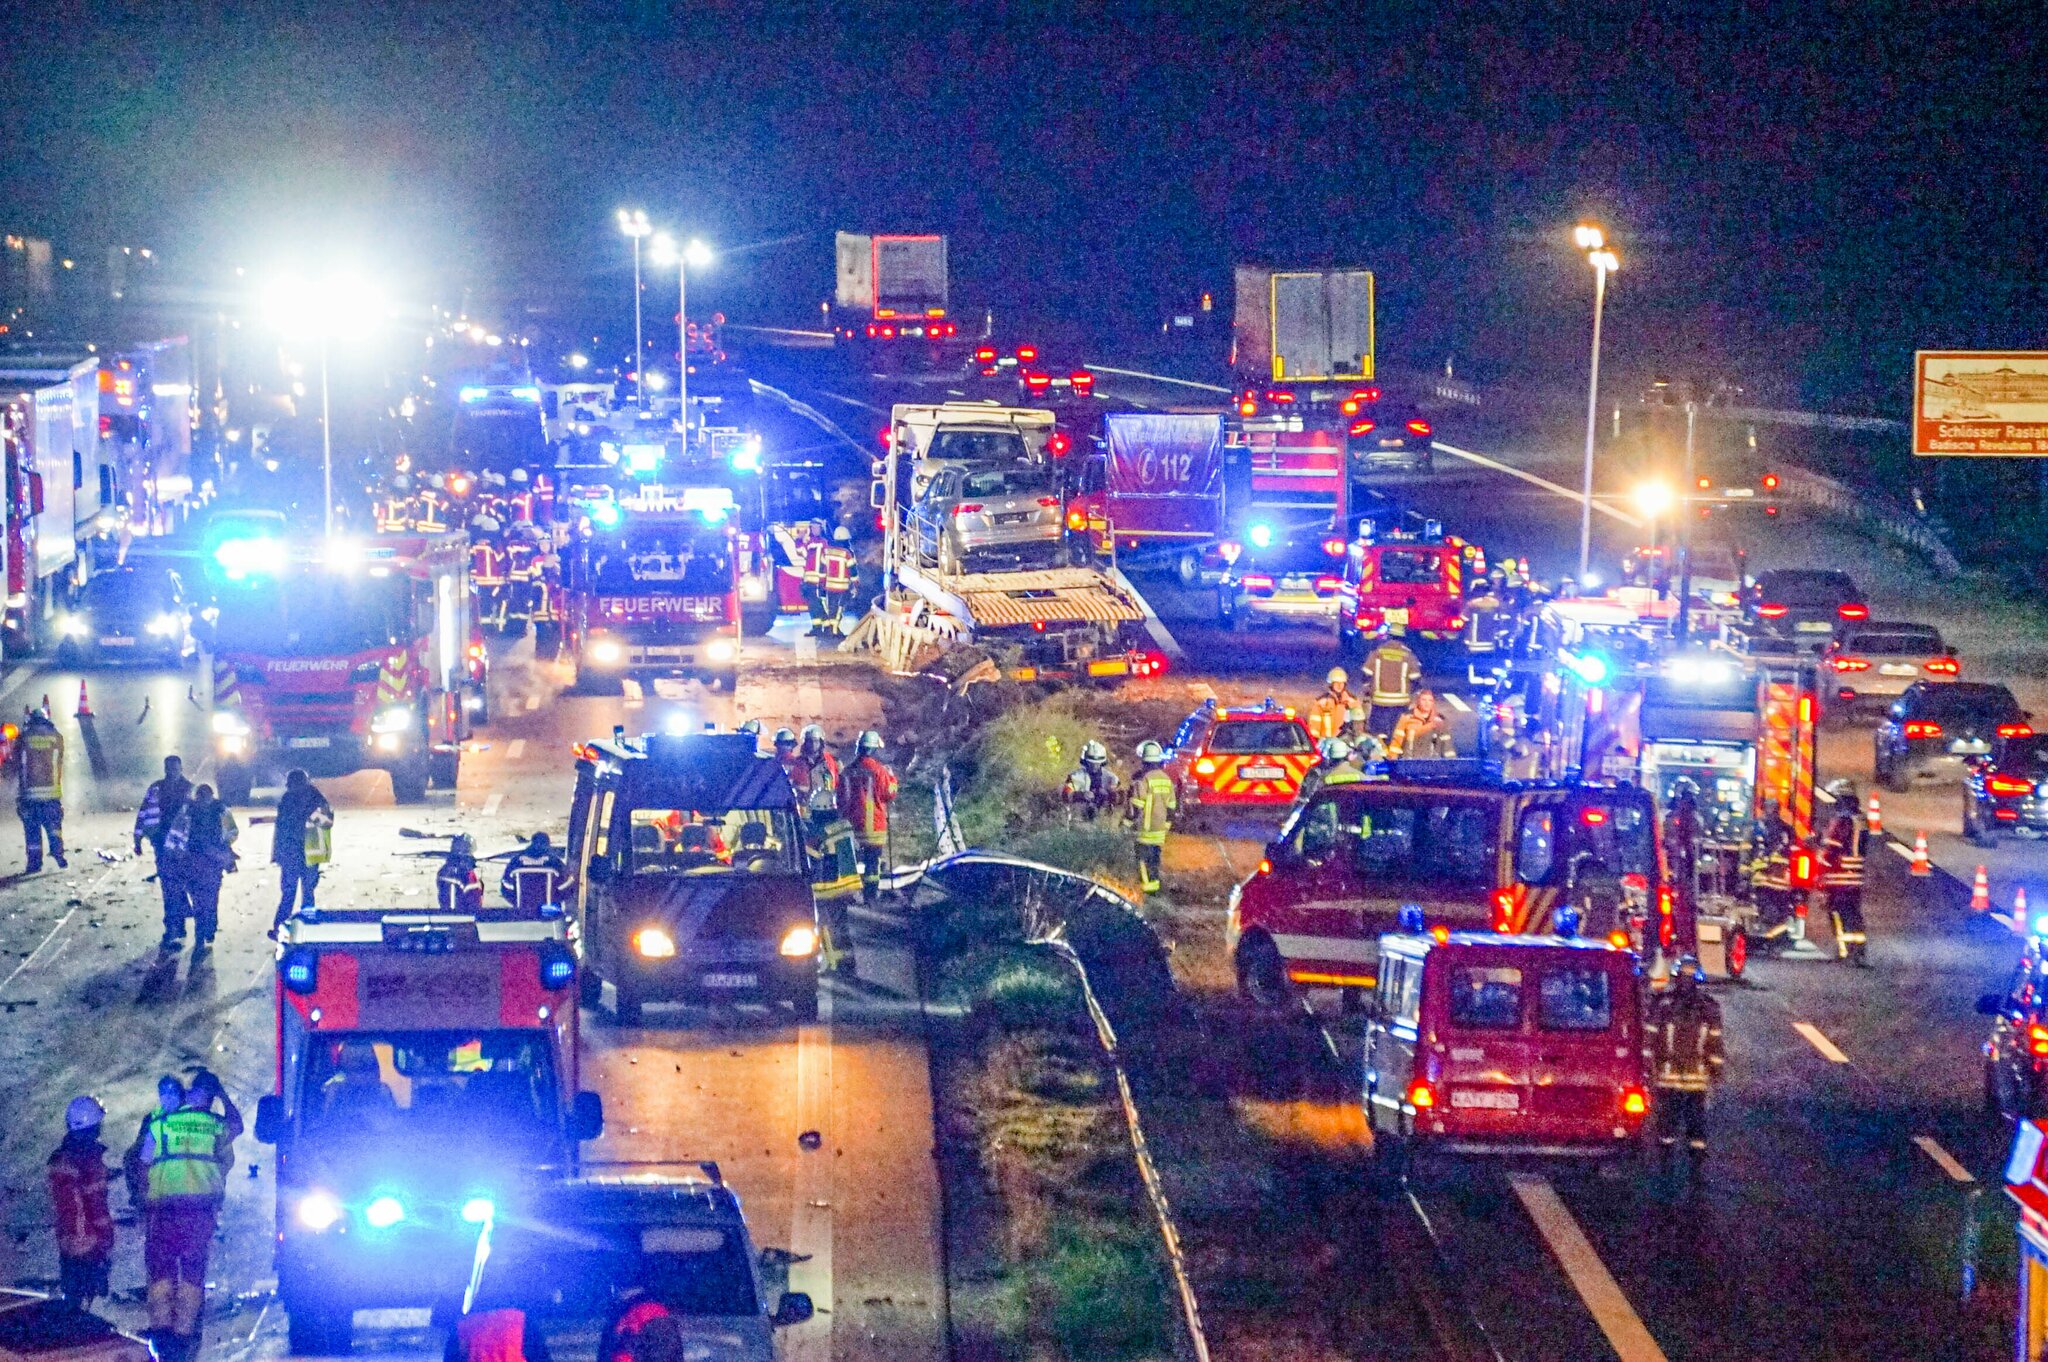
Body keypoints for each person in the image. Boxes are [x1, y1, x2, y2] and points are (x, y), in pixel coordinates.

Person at [137, 1074, 233, 1359]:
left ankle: (162, 1335)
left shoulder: (160, 1123)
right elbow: (234, 1134)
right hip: (199, 1212)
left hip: (164, 1209)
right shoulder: (215, 1125)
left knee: (160, 1269)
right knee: (192, 1270)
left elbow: (143, 1164)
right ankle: (183, 1338)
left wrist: (146, 1198)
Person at [1647, 955, 1725, 1176]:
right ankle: (1696, 1168)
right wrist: (1716, 1073)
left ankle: (1666, 1166)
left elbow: (1650, 1040)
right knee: (1695, 1123)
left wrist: (1648, 1070)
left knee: (1668, 1123)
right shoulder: (1709, 1007)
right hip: (1696, 1081)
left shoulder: (1662, 1004)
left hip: (1667, 1078)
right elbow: (1715, 1045)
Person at [48, 1095, 114, 1310]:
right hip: (87, 1238)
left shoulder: (63, 1158)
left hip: (70, 1237)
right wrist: (100, 1237)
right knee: (86, 1294)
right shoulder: (87, 1161)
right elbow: (89, 1203)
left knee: (75, 1293)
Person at [167, 785, 237, 954]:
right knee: (202, 900)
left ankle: (208, 929)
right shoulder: (188, 811)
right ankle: (203, 933)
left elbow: (232, 832)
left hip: (211, 862)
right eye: (201, 797)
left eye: (206, 797)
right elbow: (176, 833)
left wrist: (223, 848)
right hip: (193, 861)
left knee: (209, 899)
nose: (204, 800)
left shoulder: (220, 810)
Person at [136, 756, 194, 949]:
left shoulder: (188, 789)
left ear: (180, 768)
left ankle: (177, 925)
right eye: (169, 768)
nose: (172, 771)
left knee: (178, 885)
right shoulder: (157, 788)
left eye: (175, 768)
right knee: (170, 887)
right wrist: (138, 838)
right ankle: (173, 926)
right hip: (162, 845)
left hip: (181, 847)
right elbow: (144, 813)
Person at [837, 730, 898, 906]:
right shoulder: (879, 771)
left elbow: (840, 798)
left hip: (850, 827)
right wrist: (892, 777)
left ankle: (848, 895)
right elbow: (889, 793)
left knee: (849, 863)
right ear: (873, 749)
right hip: (873, 827)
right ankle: (870, 896)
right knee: (872, 865)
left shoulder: (847, 771)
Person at [270, 769, 332, 931]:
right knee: (299, 894)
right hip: (300, 855)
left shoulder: (314, 800)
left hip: (303, 855)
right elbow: (281, 830)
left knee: (299, 894)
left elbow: (327, 822)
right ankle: (289, 927)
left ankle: (290, 928)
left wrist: (309, 816)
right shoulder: (296, 799)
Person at [1818, 777, 1870, 967]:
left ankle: (1844, 951)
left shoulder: (1841, 821)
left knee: (1838, 914)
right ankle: (1858, 951)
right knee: (1853, 914)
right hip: (1854, 877)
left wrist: (1819, 865)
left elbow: (1831, 848)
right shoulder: (1861, 820)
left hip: (1839, 876)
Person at [14, 705, 66, 871]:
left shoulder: (23, 738)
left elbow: (17, 763)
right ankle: (58, 853)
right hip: (51, 793)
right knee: (54, 827)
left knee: (32, 831)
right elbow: (59, 761)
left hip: (29, 794)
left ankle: (34, 863)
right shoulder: (56, 738)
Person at [1126, 740, 1178, 894]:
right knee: (1154, 860)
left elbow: (1136, 805)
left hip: (1145, 830)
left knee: (1142, 860)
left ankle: (1146, 893)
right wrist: (1166, 825)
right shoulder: (1166, 779)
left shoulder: (1145, 780)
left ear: (1145, 762)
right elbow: (1172, 806)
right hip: (1159, 831)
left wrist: (1126, 823)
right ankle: (1155, 889)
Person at [1364, 632, 1423, 736]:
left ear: (1389, 637)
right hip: (1401, 702)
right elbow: (1415, 679)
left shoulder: (1377, 652)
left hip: (1379, 701)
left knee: (1378, 733)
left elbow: (1366, 674)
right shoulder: (1408, 655)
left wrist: (1368, 689)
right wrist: (1413, 692)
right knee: (1398, 732)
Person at [502, 832, 567, 909]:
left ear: (531, 843)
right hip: (549, 913)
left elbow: (506, 885)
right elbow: (566, 885)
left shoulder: (515, 861)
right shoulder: (555, 862)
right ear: (548, 844)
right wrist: (555, 901)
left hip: (522, 911)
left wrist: (516, 903)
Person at [1061, 740, 1122, 820]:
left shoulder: (1111, 777)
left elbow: (1120, 796)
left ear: (1102, 762)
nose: (1094, 766)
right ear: (1086, 762)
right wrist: (1080, 795)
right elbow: (1065, 795)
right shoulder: (1075, 777)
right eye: (1091, 763)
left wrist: (1111, 795)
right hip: (1079, 817)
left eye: (1097, 764)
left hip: (1103, 818)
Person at [797, 725, 842, 834]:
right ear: (804, 743)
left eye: (816, 741)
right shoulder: (798, 763)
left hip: (828, 808)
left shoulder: (832, 762)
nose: (813, 745)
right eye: (809, 741)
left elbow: (840, 783)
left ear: (821, 742)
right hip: (806, 811)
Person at [1388, 690, 1456, 758]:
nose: (1427, 703)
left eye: (1430, 700)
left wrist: (1452, 764)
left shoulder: (1440, 720)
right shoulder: (1407, 718)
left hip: (1432, 763)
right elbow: (1397, 741)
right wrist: (1393, 760)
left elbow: (1447, 745)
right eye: (1423, 700)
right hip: (1410, 762)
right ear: (1418, 701)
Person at [818, 525, 858, 631]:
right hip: (843, 586)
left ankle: (831, 628)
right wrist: (856, 585)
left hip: (829, 585)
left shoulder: (827, 551)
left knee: (831, 607)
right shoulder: (847, 553)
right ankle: (835, 630)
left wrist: (821, 584)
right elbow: (853, 571)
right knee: (840, 608)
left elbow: (822, 569)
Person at [1307, 668, 1357, 743]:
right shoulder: (1321, 702)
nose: (1339, 686)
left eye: (1342, 683)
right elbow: (1314, 727)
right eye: (1336, 683)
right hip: (1325, 744)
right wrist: (1315, 742)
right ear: (1331, 684)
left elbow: (1358, 725)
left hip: (1345, 743)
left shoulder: (1352, 702)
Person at [801, 520, 829, 635]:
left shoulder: (823, 542)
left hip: (818, 579)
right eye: (813, 528)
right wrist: (799, 540)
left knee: (817, 603)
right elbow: (802, 552)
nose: (815, 530)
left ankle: (826, 627)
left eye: (817, 528)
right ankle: (817, 627)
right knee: (813, 604)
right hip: (810, 579)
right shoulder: (809, 542)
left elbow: (825, 561)